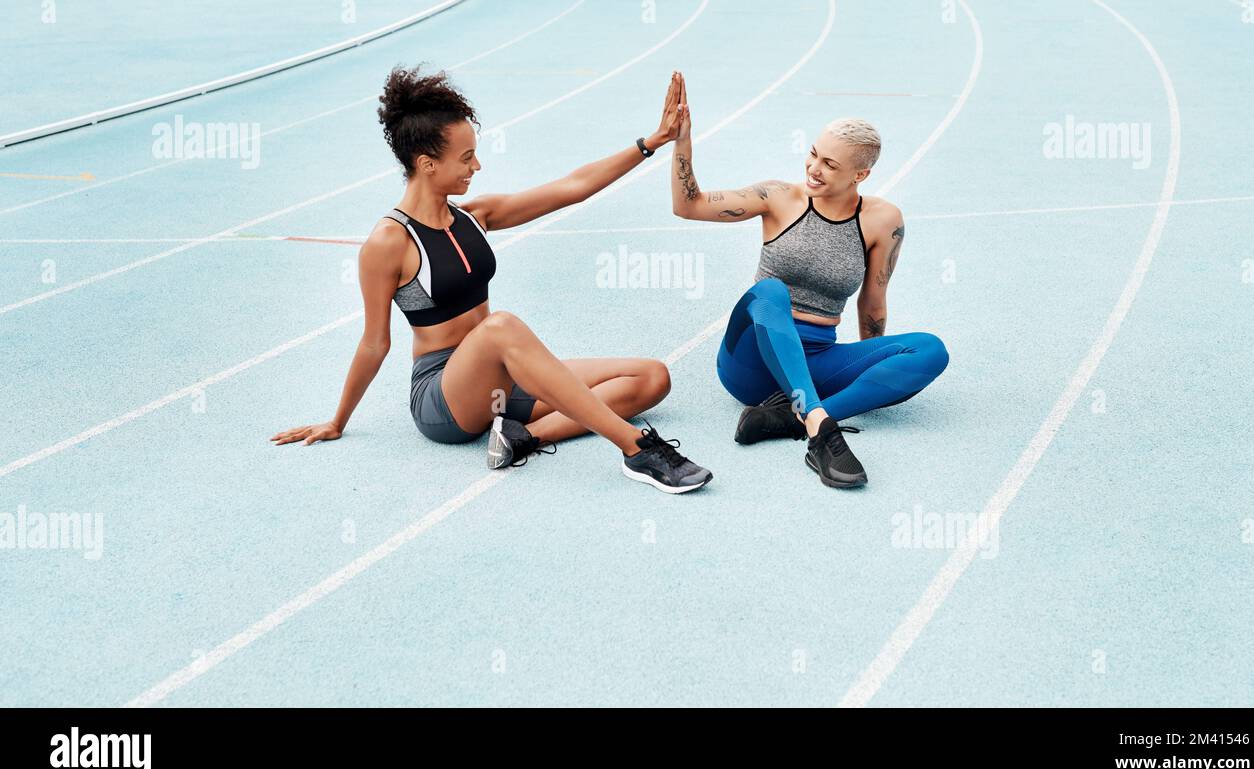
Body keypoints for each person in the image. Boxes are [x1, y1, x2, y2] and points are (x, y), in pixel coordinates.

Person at [272, 67, 712, 494]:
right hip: (445, 398)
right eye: (466, 158)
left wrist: (651, 142)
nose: (477, 166)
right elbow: (374, 343)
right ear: (427, 164)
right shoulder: (389, 242)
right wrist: (337, 420)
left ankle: (522, 437)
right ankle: (636, 449)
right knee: (500, 326)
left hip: (502, 384)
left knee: (651, 378)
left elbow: (572, 187)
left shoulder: (474, 217)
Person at [666, 73, 948, 489]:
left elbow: (873, 304)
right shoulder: (778, 197)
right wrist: (682, 140)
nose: (813, 169)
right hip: (751, 362)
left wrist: (873, 357)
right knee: (770, 291)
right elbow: (688, 206)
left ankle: (795, 415)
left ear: (861, 175)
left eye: (829, 165)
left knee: (929, 350)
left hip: (815, 361)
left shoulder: (882, 220)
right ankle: (818, 424)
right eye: (813, 155)